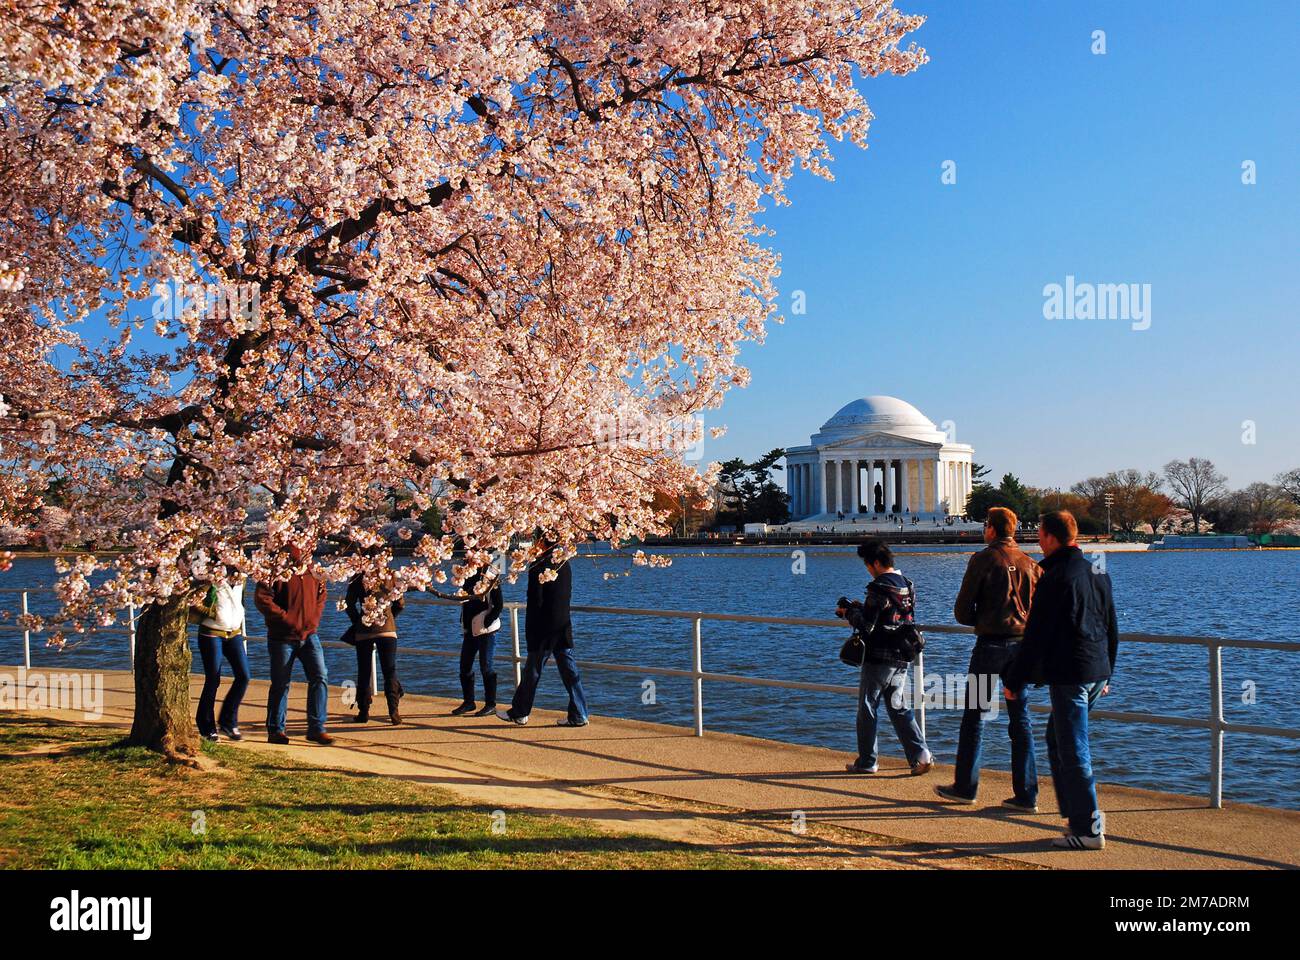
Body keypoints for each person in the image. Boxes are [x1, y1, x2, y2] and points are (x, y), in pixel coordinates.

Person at [1003, 511, 1119, 850]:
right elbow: (1111, 624)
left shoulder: (1054, 578)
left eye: (1039, 534)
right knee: (1058, 738)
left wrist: (1015, 679)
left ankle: (1089, 831)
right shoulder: (1097, 571)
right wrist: (1109, 669)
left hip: (1071, 672)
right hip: (1096, 670)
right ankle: (1074, 818)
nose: (1037, 540)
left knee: (1074, 749)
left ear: (1051, 537)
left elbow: (1036, 636)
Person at [936, 507, 1042, 809]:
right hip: (1021, 650)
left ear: (992, 530)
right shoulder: (1031, 564)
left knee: (975, 716)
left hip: (990, 648)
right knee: (1021, 720)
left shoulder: (982, 560)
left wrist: (982, 619)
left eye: (986, 526)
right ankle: (1026, 794)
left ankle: (966, 788)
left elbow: (961, 611)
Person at [835, 539, 933, 775]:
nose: (868, 569)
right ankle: (921, 755)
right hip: (902, 655)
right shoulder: (907, 584)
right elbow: (897, 615)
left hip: (879, 656)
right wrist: (862, 607)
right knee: (898, 706)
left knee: (867, 707)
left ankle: (868, 761)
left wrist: (849, 612)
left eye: (868, 565)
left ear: (876, 563)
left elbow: (867, 625)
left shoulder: (878, 587)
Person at [498, 542, 589, 727]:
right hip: (562, 623)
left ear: (541, 543)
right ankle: (579, 713)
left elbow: (535, 599)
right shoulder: (565, 563)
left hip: (543, 626)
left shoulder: (539, 564)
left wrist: (530, 628)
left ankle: (520, 712)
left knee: (533, 669)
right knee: (569, 671)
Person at [255, 543, 333, 745]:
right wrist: (287, 619)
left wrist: (314, 619)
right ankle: (276, 729)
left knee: (320, 676)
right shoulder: (274, 572)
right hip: (282, 637)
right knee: (281, 683)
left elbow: (322, 594)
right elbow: (263, 600)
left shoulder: (312, 571)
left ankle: (317, 727)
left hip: (309, 634)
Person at [190, 572, 250, 742]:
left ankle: (228, 721)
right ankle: (206, 726)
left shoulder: (242, 577)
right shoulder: (211, 575)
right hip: (211, 632)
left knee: (244, 676)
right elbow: (193, 600)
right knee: (213, 679)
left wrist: (239, 615)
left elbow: (240, 600)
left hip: (234, 632)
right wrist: (212, 613)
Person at [345, 565, 405, 725]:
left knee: (364, 671)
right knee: (389, 670)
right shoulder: (391, 575)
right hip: (387, 629)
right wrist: (389, 618)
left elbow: (348, 604)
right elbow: (400, 604)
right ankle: (394, 711)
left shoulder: (358, 576)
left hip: (364, 629)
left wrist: (358, 621)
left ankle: (363, 711)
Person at [453, 567, 504, 717]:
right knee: (465, 666)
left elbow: (499, 604)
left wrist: (487, 621)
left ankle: (490, 704)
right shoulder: (465, 576)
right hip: (470, 629)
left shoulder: (490, 576)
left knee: (486, 666)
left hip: (486, 630)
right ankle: (469, 702)